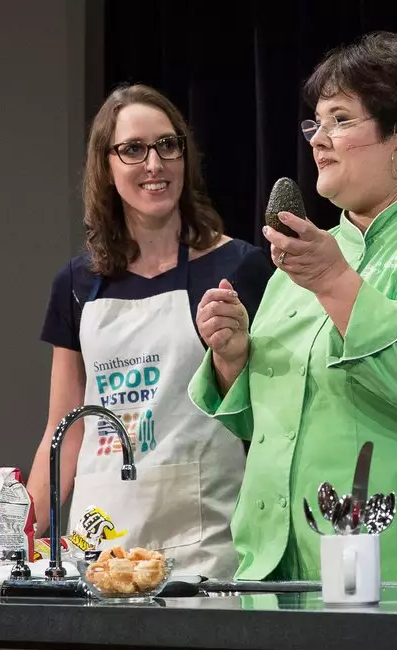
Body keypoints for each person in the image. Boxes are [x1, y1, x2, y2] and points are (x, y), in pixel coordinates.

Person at [189, 31, 397, 585]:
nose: (318, 141)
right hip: (275, 573)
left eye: (341, 120)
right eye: (315, 124)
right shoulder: (315, 255)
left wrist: (333, 282)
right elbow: (270, 427)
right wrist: (231, 360)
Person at [26, 83, 274, 578]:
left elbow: (267, 413)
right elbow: (65, 426)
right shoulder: (77, 283)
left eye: (167, 145)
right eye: (133, 149)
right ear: (107, 166)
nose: (154, 164)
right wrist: (21, 532)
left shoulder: (239, 266)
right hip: (99, 544)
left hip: (204, 541)